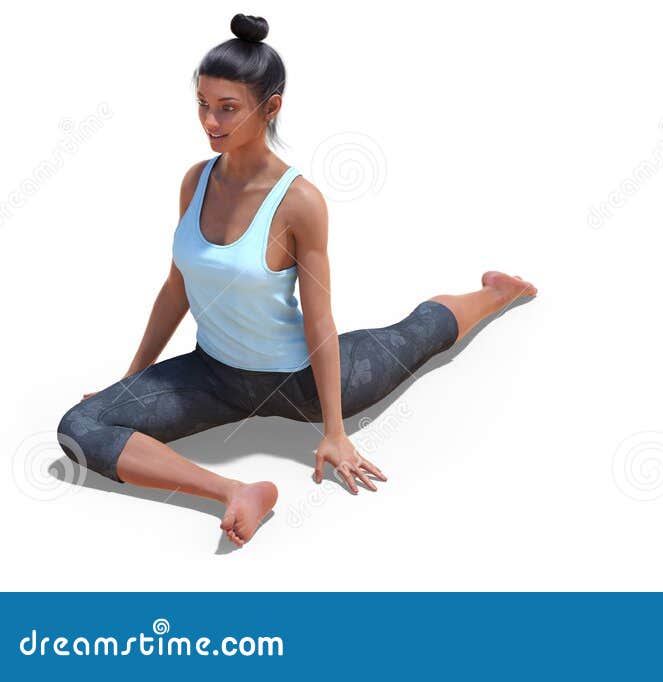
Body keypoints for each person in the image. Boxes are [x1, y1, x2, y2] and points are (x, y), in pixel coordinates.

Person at [56, 15, 538, 547]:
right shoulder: (196, 180)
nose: (210, 121)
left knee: (417, 332)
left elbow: (320, 319)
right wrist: (130, 382)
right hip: (211, 376)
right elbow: (176, 288)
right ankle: (236, 492)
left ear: (272, 106)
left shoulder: (299, 202)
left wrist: (334, 431)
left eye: (227, 108)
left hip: (298, 382)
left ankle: (499, 291)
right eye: (202, 104)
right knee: (79, 428)